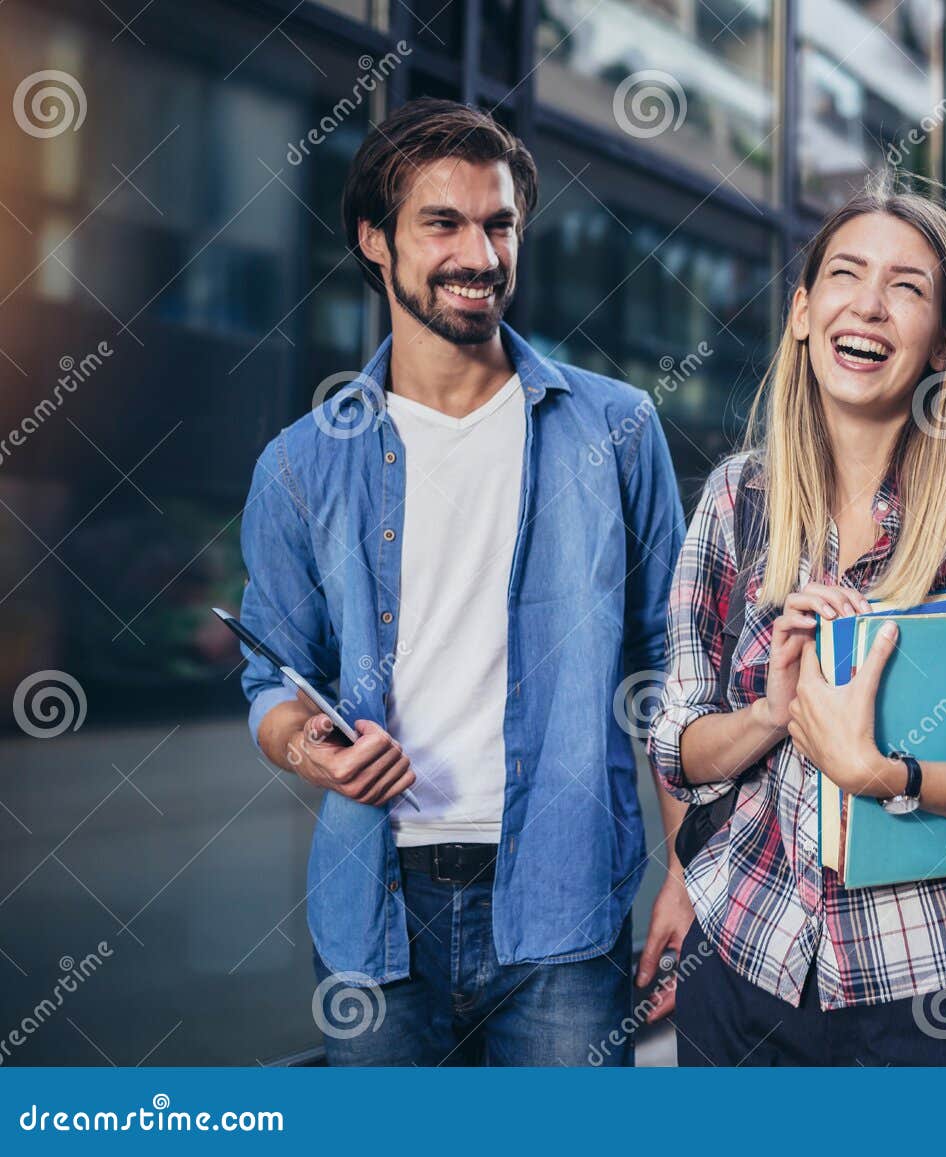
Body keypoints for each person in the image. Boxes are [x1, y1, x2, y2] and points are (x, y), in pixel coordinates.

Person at [237, 99, 693, 1066]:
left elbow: (671, 665)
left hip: (567, 906)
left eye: (499, 224)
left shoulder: (615, 432)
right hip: (377, 915)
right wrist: (308, 746)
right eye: (442, 223)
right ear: (376, 240)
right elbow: (273, 677)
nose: (478, 254)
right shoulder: (302, 463)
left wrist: (686, 872)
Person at [647, 177, 946, 1066]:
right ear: (806, 311)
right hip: (741, 966)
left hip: (928, 990)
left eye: (908, 287)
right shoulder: (737, 500)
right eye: (847, 275)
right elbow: (677, 744)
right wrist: (770, 717)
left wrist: (886, 771)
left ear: (943, 342)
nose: (871, 304)